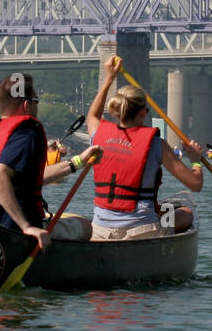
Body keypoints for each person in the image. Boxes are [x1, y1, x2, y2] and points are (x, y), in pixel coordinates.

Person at [0, 73, 95, 250]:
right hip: (15, 229)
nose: (37, 106)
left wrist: (79, 161)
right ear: (27, 104)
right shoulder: (27, 133)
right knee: (87, 227)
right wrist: (27, 227)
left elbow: (35, 179)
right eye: (36, 101)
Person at [85, 56, 204, 239]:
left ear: (117, 111)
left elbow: (93, 115)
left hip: (100, 230)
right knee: (186, 213)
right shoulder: (157, 144)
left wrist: (109, 78)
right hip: (144, 230)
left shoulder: (98, 135)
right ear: (142, 113)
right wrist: (196, 161)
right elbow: (195, 184)